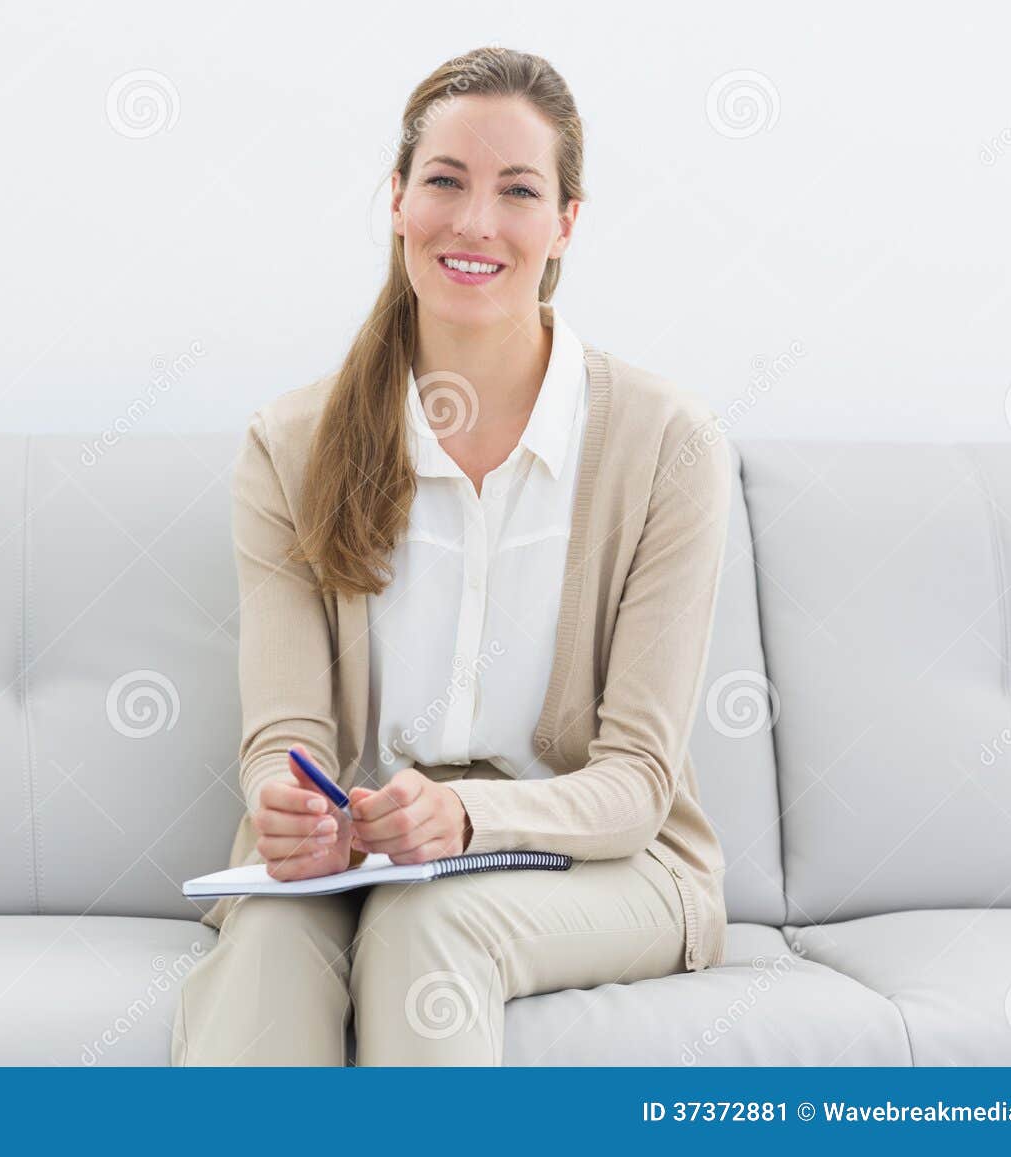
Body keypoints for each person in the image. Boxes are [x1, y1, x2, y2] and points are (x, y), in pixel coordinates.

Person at [172, 44, 732, 1066]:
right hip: (361, 857)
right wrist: (284, 804)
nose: (474, 222)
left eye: (518, 190)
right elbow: (282, 732)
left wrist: (463, 815)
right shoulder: (290, 446)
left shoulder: (667, 444)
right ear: (395, 198)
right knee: (266, 954)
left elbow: (636, 781)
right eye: (444, 181)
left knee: (427, 926)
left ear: (566, 221)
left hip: (606, 865)